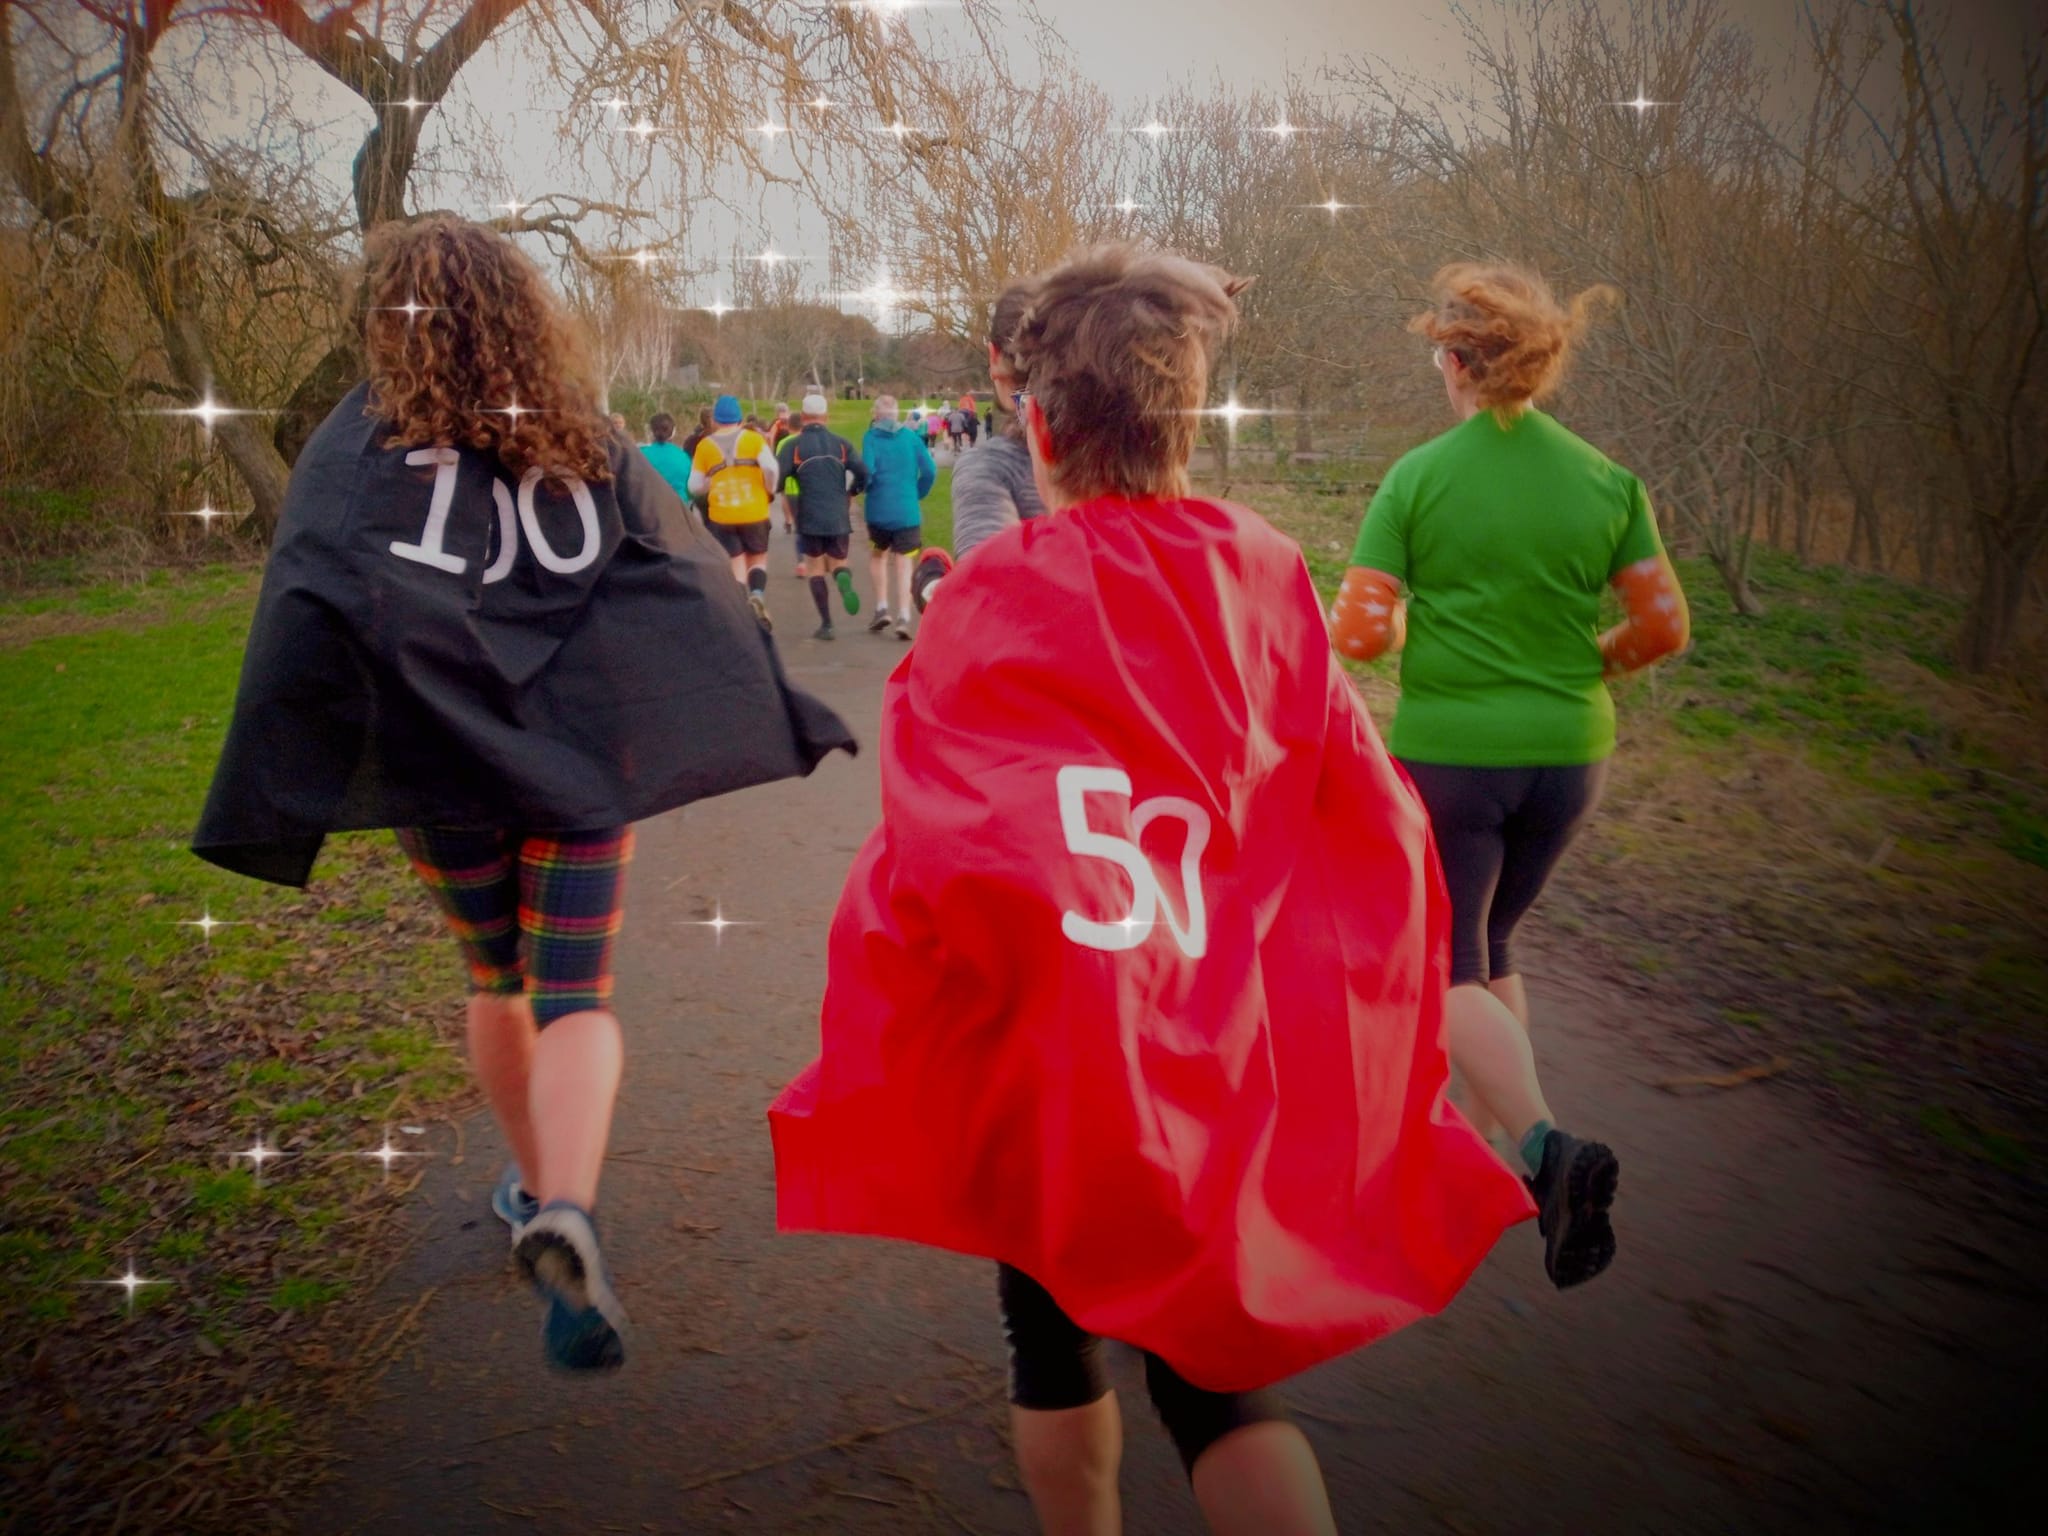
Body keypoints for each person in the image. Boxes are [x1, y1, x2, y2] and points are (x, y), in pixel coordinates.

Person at [770, 245, 1535, 1535]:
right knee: (1219, 1391)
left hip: (1056, 1053)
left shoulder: (990, 596)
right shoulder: (1258, 569)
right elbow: (1362, 812)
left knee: (1049, 1339)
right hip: (1212, 1047)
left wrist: (904, 1012)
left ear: (1034, 424)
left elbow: (934, 845)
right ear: (1191, 421)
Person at [191, 215, 855, 1373]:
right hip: (576, 761)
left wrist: (293, 751)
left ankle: (531, 1186)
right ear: (519, 309)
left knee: (492, 978)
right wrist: (739, 687)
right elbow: (675, 571)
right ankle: (568, 1206)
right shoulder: (579, 433)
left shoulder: (355, 449)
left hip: (438, 765)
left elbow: (313, 594)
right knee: (574, 995)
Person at [1332, 260, 1684, 1283]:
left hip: (1452, 757)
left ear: (1452, 362)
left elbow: (1356, 632)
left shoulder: (1419, 478)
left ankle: (1542, 1148)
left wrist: (1413, 626)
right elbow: (1662, 626)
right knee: (1489, 944)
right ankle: (1488, 1170)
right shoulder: (1605, 480)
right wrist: (1582, 665)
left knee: (1435, 961)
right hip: (1572, 757)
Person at [910, 276, 1048, 613]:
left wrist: (935, 588)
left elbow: (989, 603)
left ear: (994, 356)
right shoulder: (1131, 457)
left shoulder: (990, 468)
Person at [778, 392, 869, 640]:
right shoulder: (841, 444)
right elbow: (863, 472)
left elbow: (779, 477)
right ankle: (842, 579)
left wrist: (774, 492)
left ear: (803, 416)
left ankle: (827, 624)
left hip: (809, 515)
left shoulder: (792, 446)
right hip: (838, 513)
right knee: (839, 561)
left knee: (815, 567)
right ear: (826, 417)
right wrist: (853, 491)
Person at [688, 394, 781, 627]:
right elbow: (770, 467)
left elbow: (693, 486)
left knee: (736, 562)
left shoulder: (705, 446)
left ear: (716, 421)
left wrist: (710, 483)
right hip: (754, 510)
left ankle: (741, 612)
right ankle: (757, 595)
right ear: (739, 419)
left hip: (722, 514)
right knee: (757, 558)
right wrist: (769, 488)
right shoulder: (753, 439)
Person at [857, 395, 935, 641]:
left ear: (875, 415)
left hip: (878, 511)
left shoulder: (870, 438)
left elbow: (866, 472)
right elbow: (930, 470)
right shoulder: (911, 438)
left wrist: (867, 488)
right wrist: (917, 492)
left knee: (878, 555)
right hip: (907, 511)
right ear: (896, 415)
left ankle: (881, 607)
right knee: (904, 562)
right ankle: (904, 615)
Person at [638, 412, 694, 511]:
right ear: (673, 431)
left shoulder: (640, 455)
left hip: (649, 509)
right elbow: (690, 490)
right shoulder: (683, 457)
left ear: (651, 431)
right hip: (679, 509)